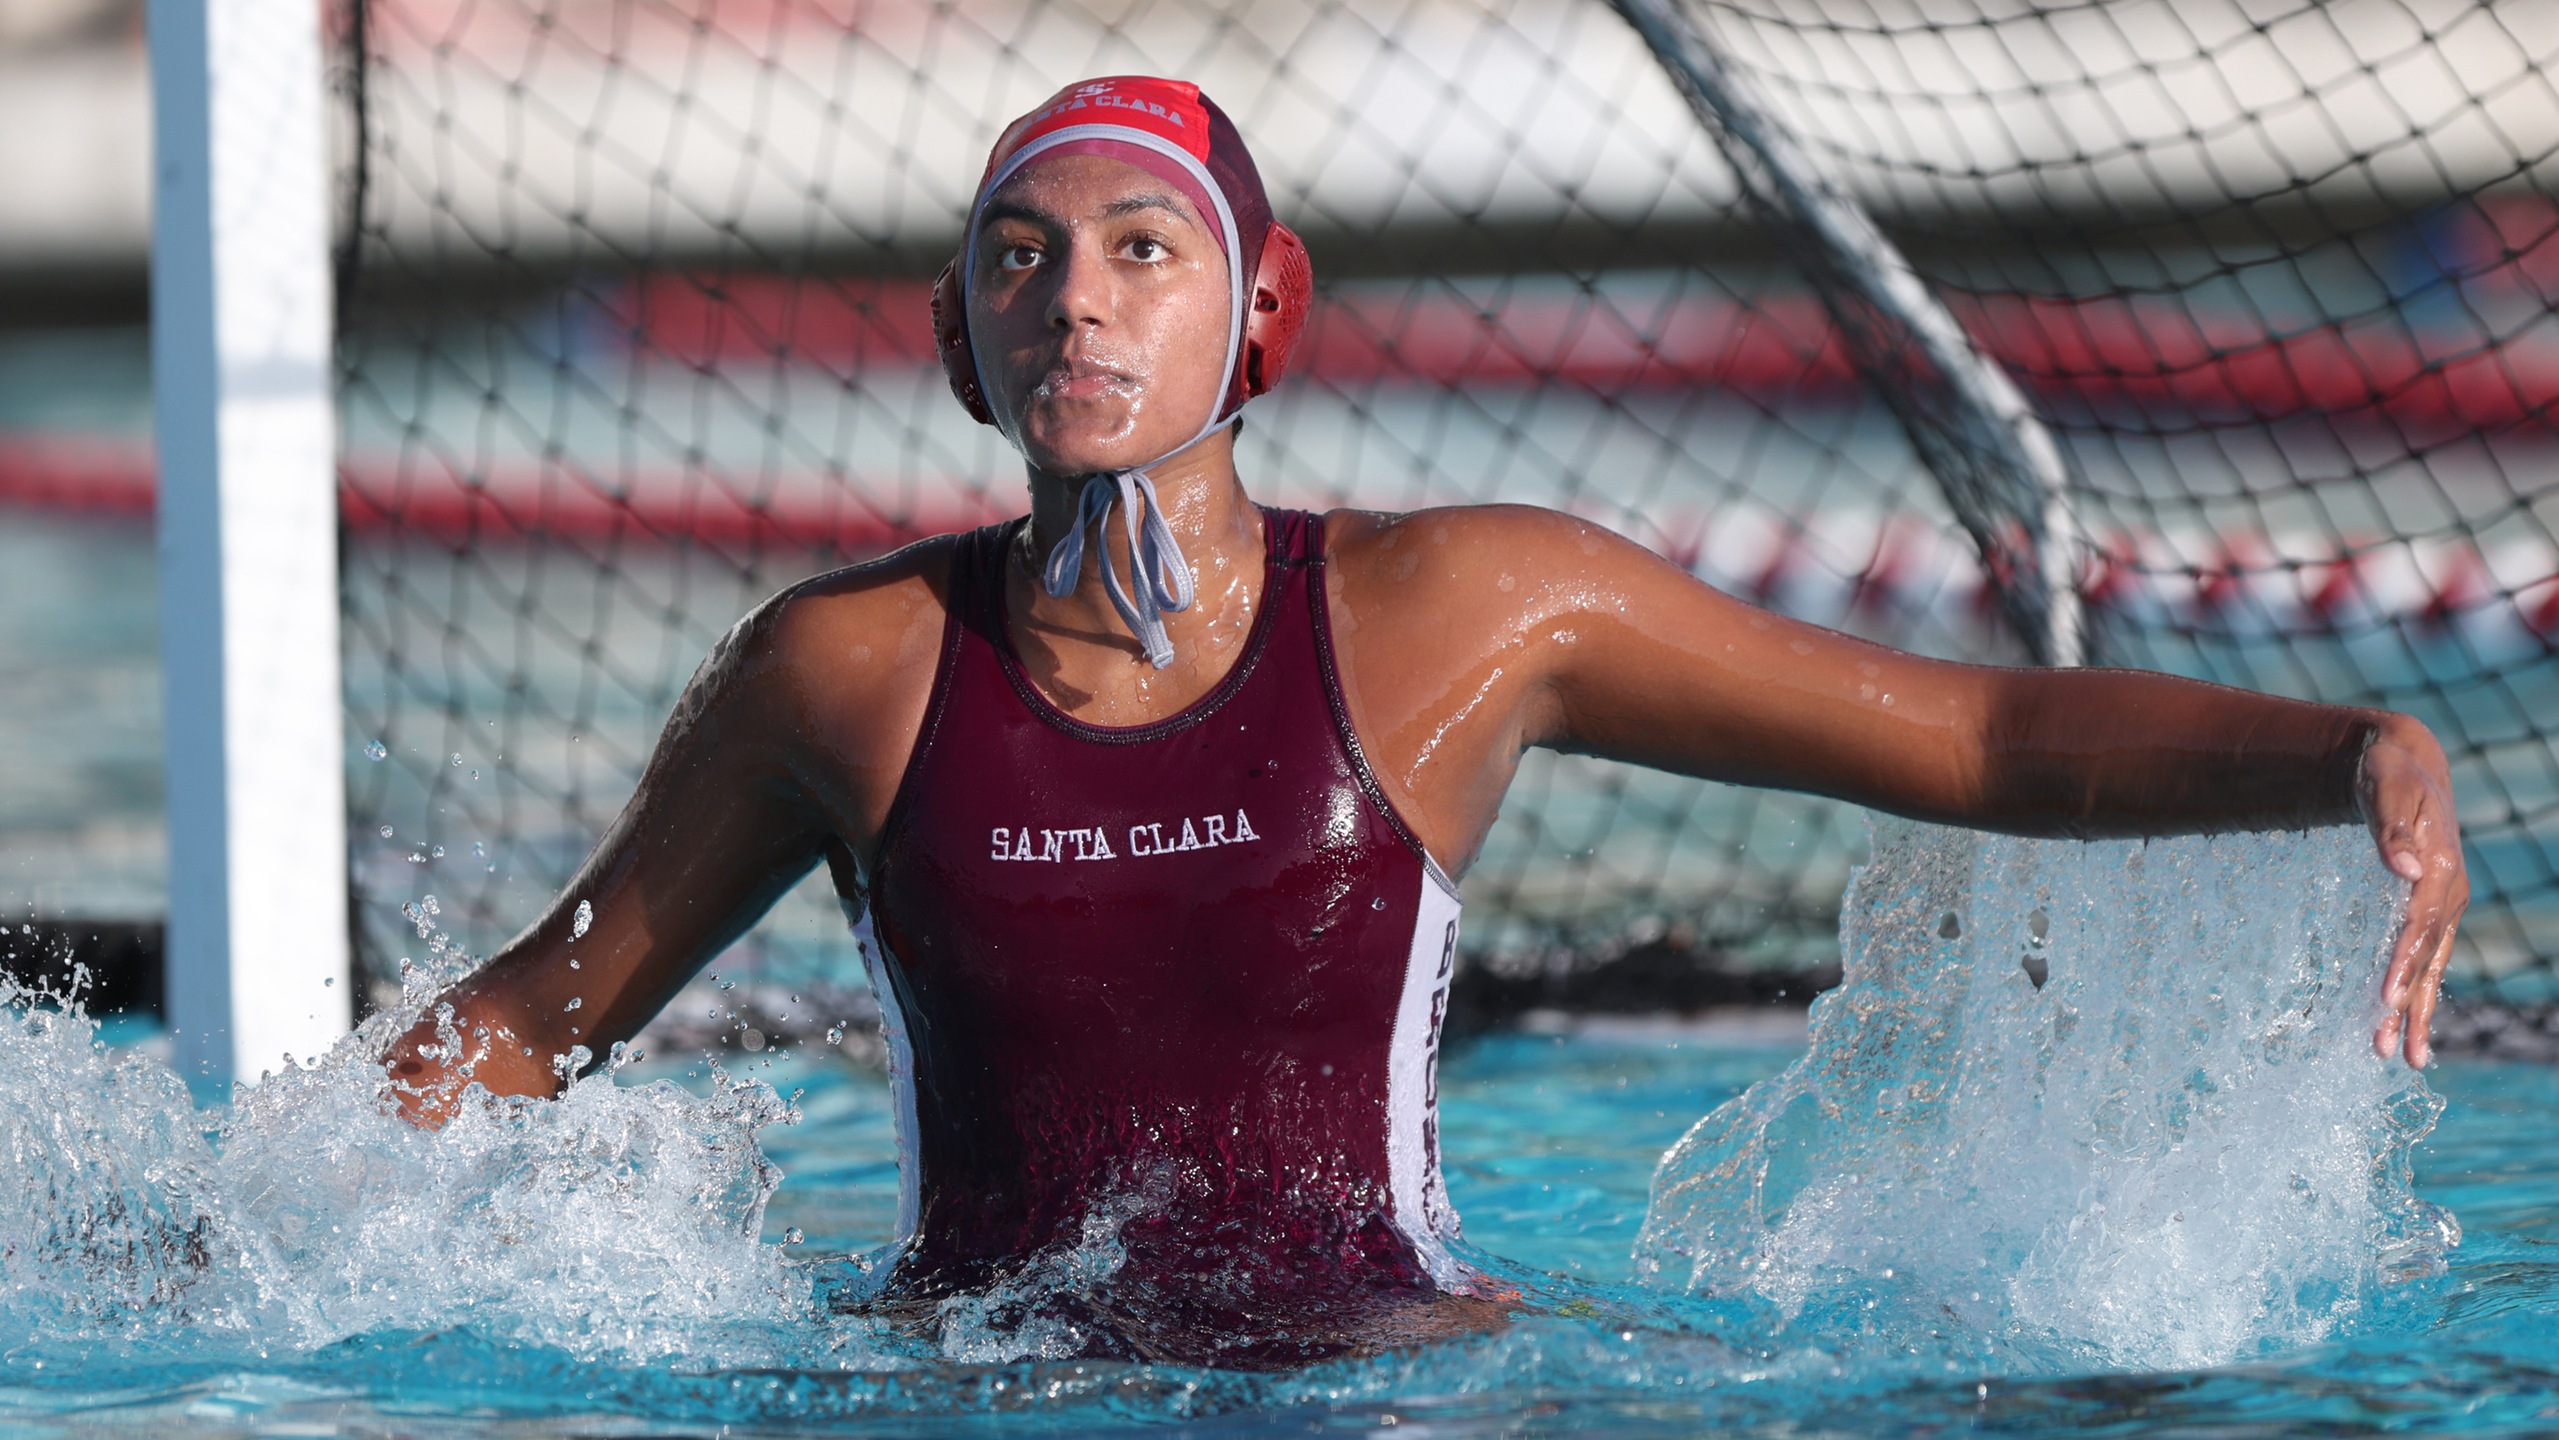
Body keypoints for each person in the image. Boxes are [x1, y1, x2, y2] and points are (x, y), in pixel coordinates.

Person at [385, 76, 2470, 1367]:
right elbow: (529, 1022)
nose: (1077, 306)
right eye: (1019, 262)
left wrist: (2337, 756)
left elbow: (1962, 737)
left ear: (1258, 306)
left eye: (1137, 250)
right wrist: (243, 1213)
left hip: (1399, 1374)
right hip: (977, 1383)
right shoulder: (846, 669)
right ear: (953, 335)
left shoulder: (1455, 610)